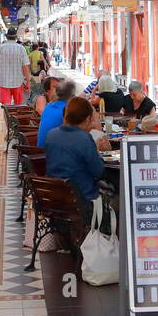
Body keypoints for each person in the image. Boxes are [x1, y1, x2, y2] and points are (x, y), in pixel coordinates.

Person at [43, 96, 106, 224]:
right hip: (82, 198)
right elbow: (98, 172)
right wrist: (96, 151)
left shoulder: (51, 135)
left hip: (56, 197)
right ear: (88, 118)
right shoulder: (84, 139)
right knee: (117, 198)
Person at [0, 27, 31, 106]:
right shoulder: (21, 48)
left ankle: (8, 118)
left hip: (3, 82)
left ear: (7, 37)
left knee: (6, 106)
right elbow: (25, 67)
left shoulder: (0, 48)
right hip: (18, 81)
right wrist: (28, 81)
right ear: (15, 37)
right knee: (18, 105)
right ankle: (15, 118)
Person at [37, 80, 76, 147]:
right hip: (52, 153)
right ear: (73, 95)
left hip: (40, 151)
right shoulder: (68, 110)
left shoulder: (48, 107)